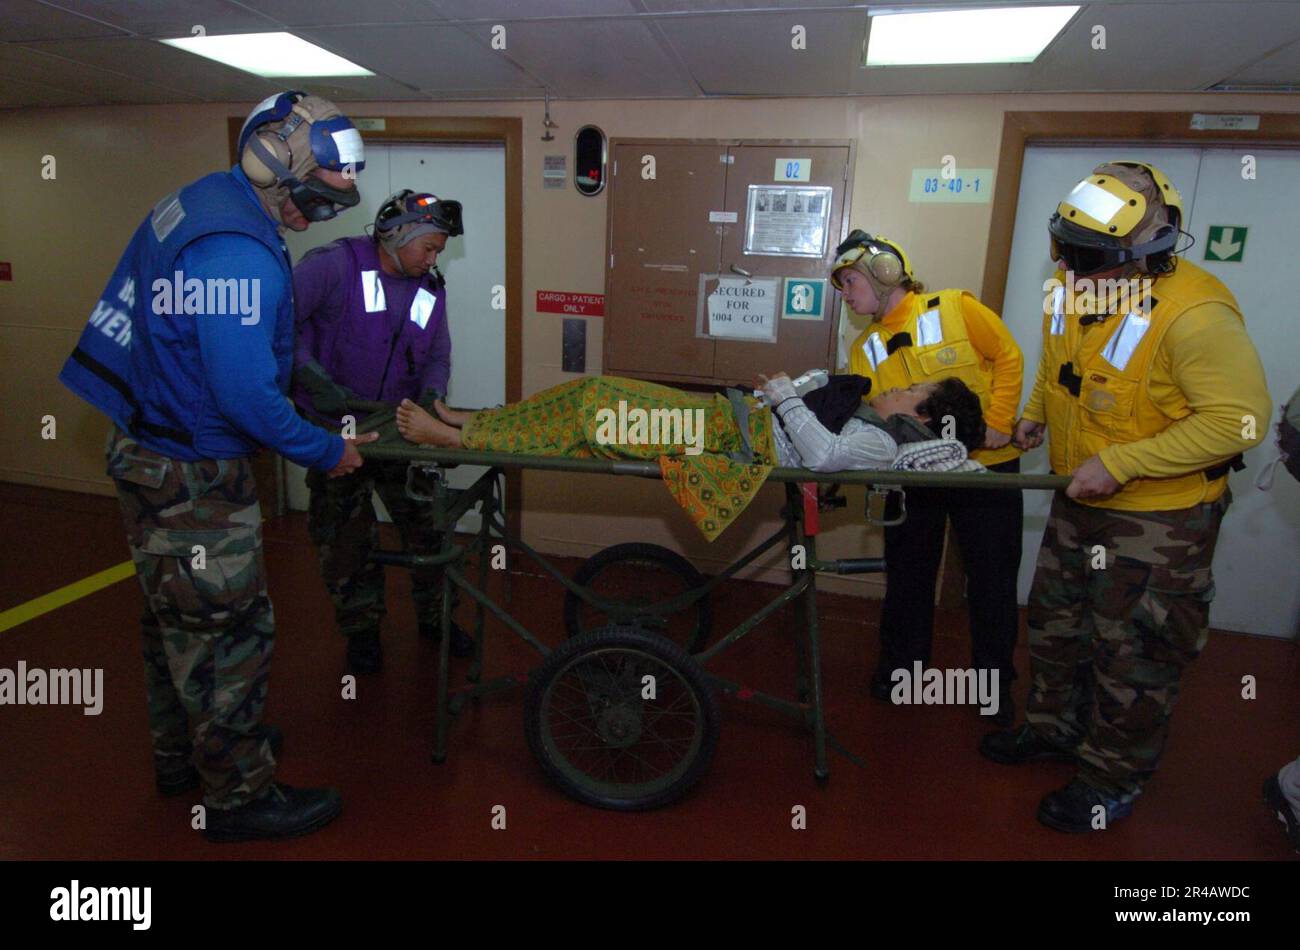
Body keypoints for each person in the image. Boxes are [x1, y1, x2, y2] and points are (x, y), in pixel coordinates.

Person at [58, 91, 377, 842]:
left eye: (327, 210)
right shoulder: (237, 250)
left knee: (172, 620)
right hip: (190, 473)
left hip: (148, 450)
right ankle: (237, 797)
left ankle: (182, 760)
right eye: (307, 201)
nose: (310, 221)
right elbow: (243, 397)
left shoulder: (201, 200)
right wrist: (329, 451)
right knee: (229, 631)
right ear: (270, 167)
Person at [979, 161, 1272, 833]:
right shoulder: (1071, 286)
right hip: (1078, 496)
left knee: (1132, 652)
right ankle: (1052, 729)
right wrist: (1036, 415)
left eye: (1088, 260)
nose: (1071, 273)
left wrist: (1124, 461)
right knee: (1055, 625)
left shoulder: (1197, 314)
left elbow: (1239, 421)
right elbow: (1059, 360)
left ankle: (1112, 778)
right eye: (1065, 253)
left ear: (1151, 252)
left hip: (1159, 519)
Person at [837, 231, 1025, 725]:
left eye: (849, 280)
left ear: (885, 274)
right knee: (908, 575)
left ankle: (994, 687)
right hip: (915, 474)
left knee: (990, 579)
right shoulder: (864, 348)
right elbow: (871, 413)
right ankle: (903, 671)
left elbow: (1009, 356)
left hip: (986, 466)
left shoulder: (957, 308)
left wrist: (1001, 419)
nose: (845, 293)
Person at [292, 189, 472, 674]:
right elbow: (271, 324)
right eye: (429, 247)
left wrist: (432, 397)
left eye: (439, 250)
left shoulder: (429, 289)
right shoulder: (332, 267)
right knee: (345, 542)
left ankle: (437, 621)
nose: (434, 258)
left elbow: (438, 353)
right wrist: (309, 376)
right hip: (337, 432)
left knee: (430, 529)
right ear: (395, 236)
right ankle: (362, 632)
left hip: (399, 431)